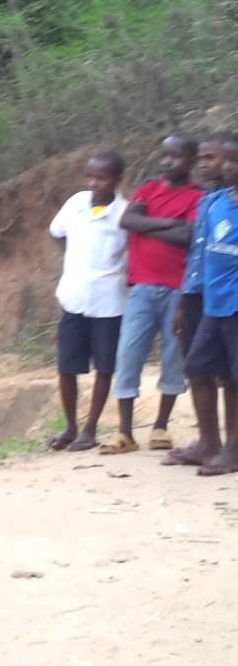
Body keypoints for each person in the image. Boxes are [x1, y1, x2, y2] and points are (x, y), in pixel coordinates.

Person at [101, 135, 203, 455]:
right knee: (129, 355)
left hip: (178, 290)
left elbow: (188, 235)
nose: (168, 161)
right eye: (165, 155)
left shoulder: (199, 197)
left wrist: (146, 223)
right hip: (142, 288)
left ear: (192, 161)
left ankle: (161, 426)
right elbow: (127, 220)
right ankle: (125, 432)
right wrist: (166, 224)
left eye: (177, 156)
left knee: (173, 358)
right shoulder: (147, 189)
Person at [45, 151, 129, 452]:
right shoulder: (76, 204)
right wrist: (74, 260)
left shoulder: (124, 214)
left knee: (104, 368)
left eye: (101, 178)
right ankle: (70, 426)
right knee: (67, 366)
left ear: (117, 181)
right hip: (74, 296)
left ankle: (91, 428)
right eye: (90, 177)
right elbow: (57, 233)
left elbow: (130, 254)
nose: (94, 183)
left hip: (109, 301)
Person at [165, 133, 238, 466]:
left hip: (228, 300)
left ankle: (230, 448)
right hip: (204, 296)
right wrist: (183, 298)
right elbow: (198, 254)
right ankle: (208, 442)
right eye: (204, 158)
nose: (207, 165)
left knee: (230, 374)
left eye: (214, 158)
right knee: (197, 366)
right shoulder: (211, 201)